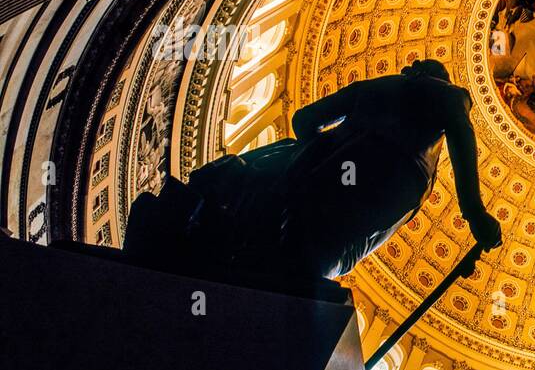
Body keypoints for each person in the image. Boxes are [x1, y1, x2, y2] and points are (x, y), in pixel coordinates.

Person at [124, 59, 501, 296]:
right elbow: (462, 141)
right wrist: (474, 214)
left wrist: (317, 152)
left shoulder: (375, 87)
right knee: (316, 263)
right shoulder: (450, 97)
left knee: (277, 245)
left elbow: (304, 120)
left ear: (413, 70)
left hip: (308, 176)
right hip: (379, 194)